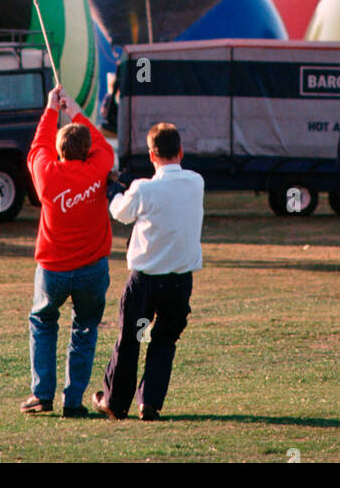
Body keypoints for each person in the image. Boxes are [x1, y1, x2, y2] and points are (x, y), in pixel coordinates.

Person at [93, 122, 204, 421]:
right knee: (164, 340)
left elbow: (121, 213)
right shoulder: (196, 182)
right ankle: (150, 402)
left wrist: (116, 190)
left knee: (131, 338)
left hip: (146, 282)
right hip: (180, 281)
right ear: (180, 151)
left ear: (151, 155)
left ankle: (115, 401)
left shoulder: (143, 188)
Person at [21, 84, 114, 418]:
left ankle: (42, 395)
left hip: (52, 270)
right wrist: (73, 108)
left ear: (60, 152)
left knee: (44, 324)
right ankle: (72, 401)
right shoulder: (100, 165)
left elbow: (37, 148)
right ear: (87, 150)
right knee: (85, 330)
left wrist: (50, 109)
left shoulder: (47, 174)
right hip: (93, 269)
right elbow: (101, 142)